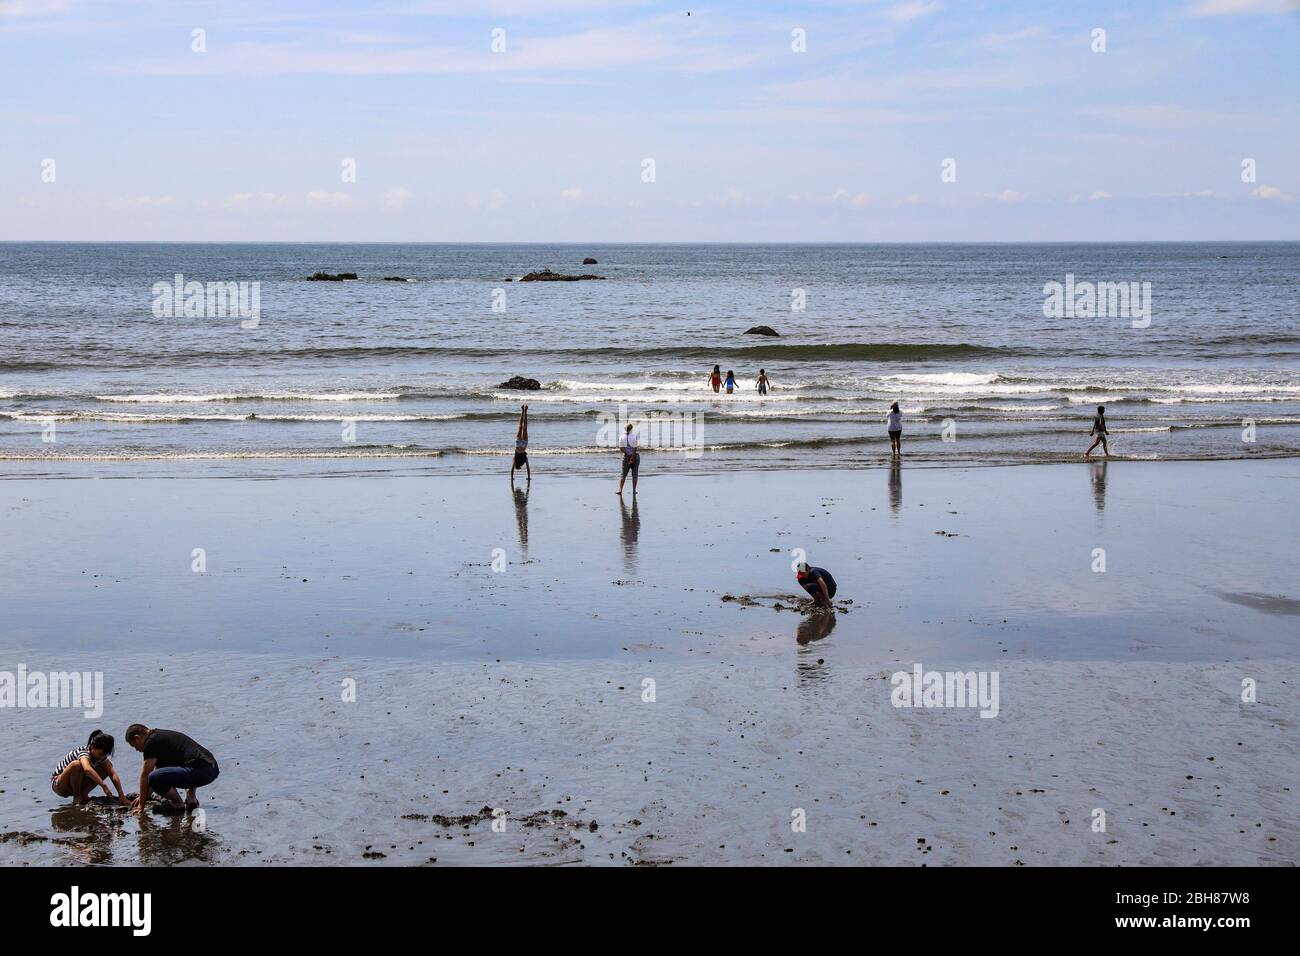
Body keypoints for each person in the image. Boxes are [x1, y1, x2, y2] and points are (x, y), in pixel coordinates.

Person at [125, 724, 219, 814]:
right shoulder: (160, 737)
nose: (136, 749)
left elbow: (146, 774)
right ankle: (191, 799)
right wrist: (143, 796)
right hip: (212, 768)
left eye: (134, 746)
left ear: (137, 738)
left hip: (201, 771)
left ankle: (178, 804)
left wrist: (141, 805)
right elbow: (161, 775)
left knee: (153, 777)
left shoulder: (151, 742)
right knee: (166, 773)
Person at [51, 730, 128, 807]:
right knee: (77, 765)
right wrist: (104, 786)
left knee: (106, 768)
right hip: (60, 785)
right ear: (92, 747)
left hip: (77, 782)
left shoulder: (101, 757)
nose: (101, 757)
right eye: (100, 754)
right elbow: (87, 769)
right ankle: (77, 797)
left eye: (104, 755)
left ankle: (84, 793)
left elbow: (113, 774)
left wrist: (121, 795)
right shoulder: (83, 752)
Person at [616, 422, 640, 496]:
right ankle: (634, 490)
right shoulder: (634, 436)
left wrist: (628, 455)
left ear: (624, 429)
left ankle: (620, 490)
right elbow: (635, 448)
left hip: (626, 457)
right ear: (631, 429)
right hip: (635, 457)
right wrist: (632, 456)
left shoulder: (621, 437)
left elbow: (621, 448)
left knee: (623, 474)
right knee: (635, 474)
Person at [511, 404, 530, 481]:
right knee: (520, 427)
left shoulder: (524, 459)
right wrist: (512, 477)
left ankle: (525, 411)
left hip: (524, 445)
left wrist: (528, 477)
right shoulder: (515, 460)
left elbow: (528, 468)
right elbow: (512, 470)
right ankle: (523, 411)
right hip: (518, 444)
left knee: (524, 427)